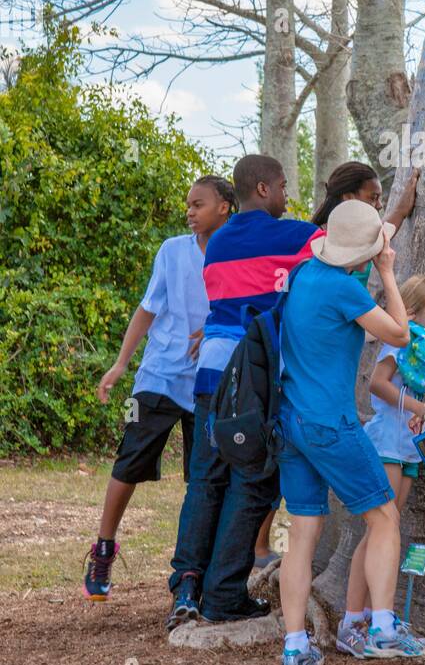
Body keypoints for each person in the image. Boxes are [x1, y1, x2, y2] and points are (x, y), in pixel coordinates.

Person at [275, 200, 425, 665]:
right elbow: (401, 334)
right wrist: (388, 272)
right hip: (331, 423)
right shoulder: (346, 290)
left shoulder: (304, 274)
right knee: (384, 515)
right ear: (366, 255)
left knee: (302, 532)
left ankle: (294, 646)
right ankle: (383, 626)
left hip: (291, 422)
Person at [166, 154, 318, 629]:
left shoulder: (217, 243)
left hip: (210, 373)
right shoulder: (295, 236)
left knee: (205, 479)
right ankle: (224, 594)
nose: (289, 194)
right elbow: (345, 246)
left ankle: (186, 586)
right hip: (251, 377)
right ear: (266, 189)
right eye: (284, 184)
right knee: (254, 480)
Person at [83, 176, 235, 601]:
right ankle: (104, 548)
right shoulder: (172, 251)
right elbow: (147, 309)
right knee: (129, 460)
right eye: (187, 204)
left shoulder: (236, 252)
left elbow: (243, 307)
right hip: (158, 378)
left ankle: (194, 572)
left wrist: (213, 328)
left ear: (224, 207)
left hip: (208, 383)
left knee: (202, 479)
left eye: (198, 204)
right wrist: (119, 365)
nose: (189, 211)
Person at [339, 275, 425, 658]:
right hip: (388, 442)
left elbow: (414, 395)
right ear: (412, 312)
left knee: (389, 528)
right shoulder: (398, 338)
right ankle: (353, 619)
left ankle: (379, 616)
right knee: (377, 529)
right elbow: (378, 384)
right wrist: (420, 406)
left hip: (408, 448)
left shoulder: (422, 350)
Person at [311, 161, 419, 288]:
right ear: (348, 198)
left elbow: (379, 235)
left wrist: (401, 211)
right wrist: (400, 211)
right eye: (373, 198)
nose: (379, 205)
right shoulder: (320, 241)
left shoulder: (346, 237)